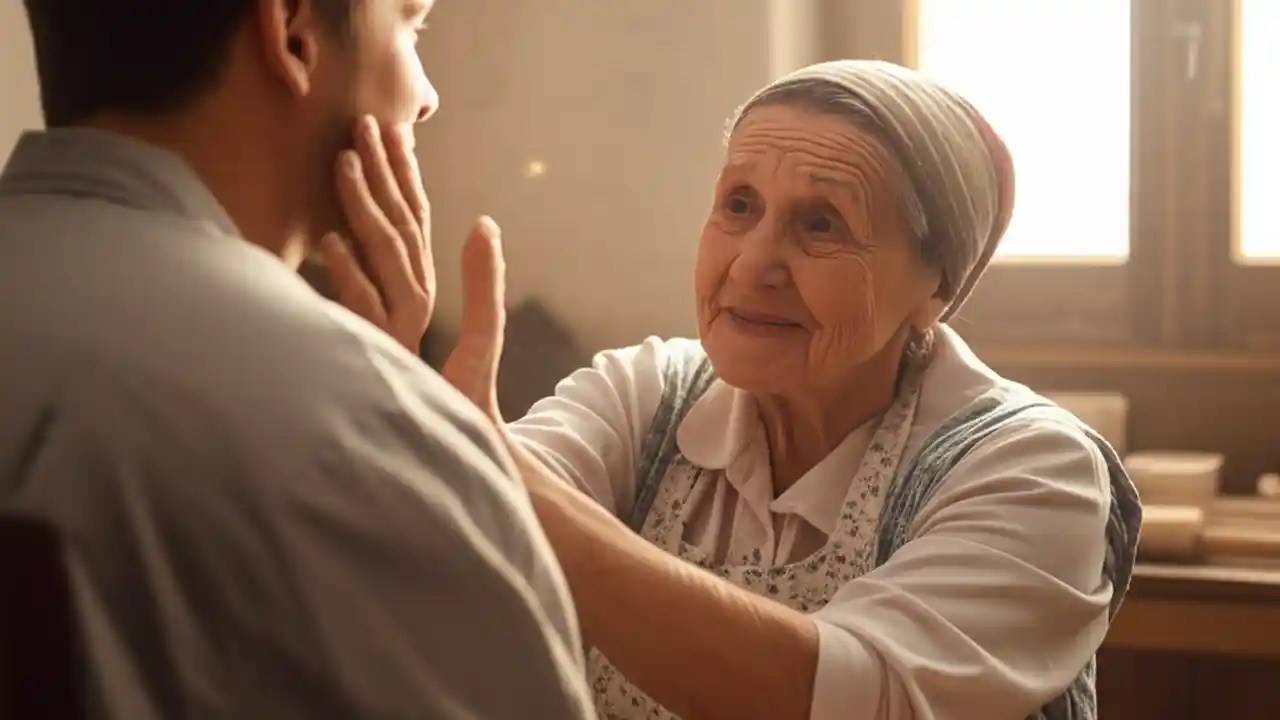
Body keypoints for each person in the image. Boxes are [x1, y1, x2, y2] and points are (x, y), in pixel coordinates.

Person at [342, 60, 1143, 719]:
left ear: (938, 286)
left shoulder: (1037, 470)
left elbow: (845, 699)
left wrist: (488, 461)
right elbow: (444, 559)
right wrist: (386, 387)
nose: (752, 263)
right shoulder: (642, 395)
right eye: (738, 205)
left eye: (820, 224)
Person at [0, 1, 592, 717]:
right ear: (294, 34)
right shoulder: (363, 434)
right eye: (411, 23)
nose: (429, 96)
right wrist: (405, 409)